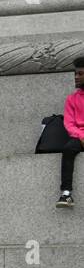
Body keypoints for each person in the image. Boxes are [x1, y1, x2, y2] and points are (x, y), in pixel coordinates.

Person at [54, 56, 84, 208]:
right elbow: (69, 124)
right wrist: (81, 137)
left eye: (80, 74)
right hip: (79, 137)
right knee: (68, 148)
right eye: (75, 74)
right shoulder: (71, 99)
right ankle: (66, 194)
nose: (76, 77)